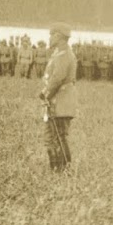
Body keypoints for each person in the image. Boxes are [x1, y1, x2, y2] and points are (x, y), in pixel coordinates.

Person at [38, 24, 80, 173]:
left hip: (61, 100)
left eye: (52, 35)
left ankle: (62, 169)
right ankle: (56, 168)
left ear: (60, 37)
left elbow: (57, 78)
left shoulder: (64, 55)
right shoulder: (59, 53)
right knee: (51, 136)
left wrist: (46, 93)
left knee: (59, 136)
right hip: (57, 100)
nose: (50, 38)